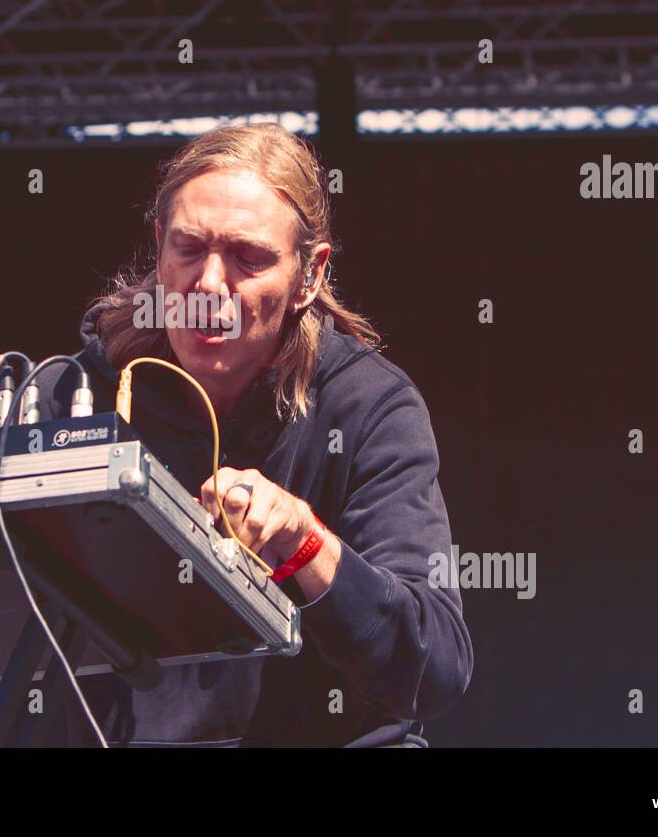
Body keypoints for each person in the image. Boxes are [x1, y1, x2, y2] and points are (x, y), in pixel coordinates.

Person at [31, 121, 473, 747]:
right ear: (158, 245)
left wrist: (304, 542)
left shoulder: (371, 406)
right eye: (189, 248)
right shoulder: (71, 395)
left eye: (249, 257)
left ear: (310, 276)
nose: (210, 284)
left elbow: (434, 668)